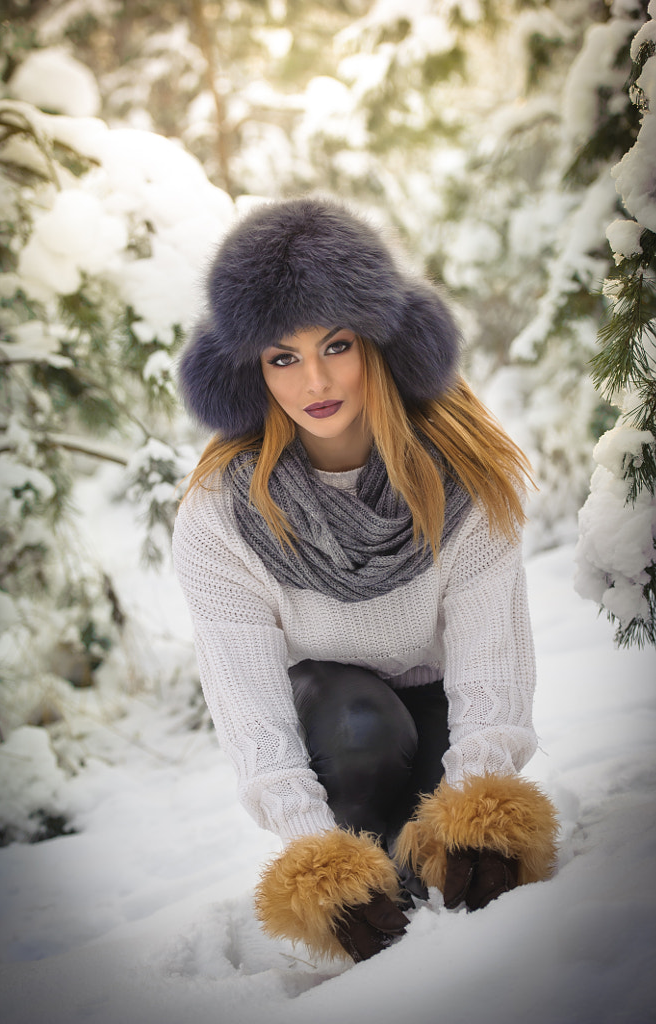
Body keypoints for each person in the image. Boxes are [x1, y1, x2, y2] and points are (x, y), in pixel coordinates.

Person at [173, 196, 558, 964]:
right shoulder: (221, 517)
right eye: (282, 356)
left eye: (335, 345)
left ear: (379, 343)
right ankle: (380, 951)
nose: (313, 378)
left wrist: (476, 805)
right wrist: (320, 859)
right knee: (360, 724)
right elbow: (251, 712)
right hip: (334, 722)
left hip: (440, 698)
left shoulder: (463, 474)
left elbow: (490, 659)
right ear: (252, 370)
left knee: (464, 871)